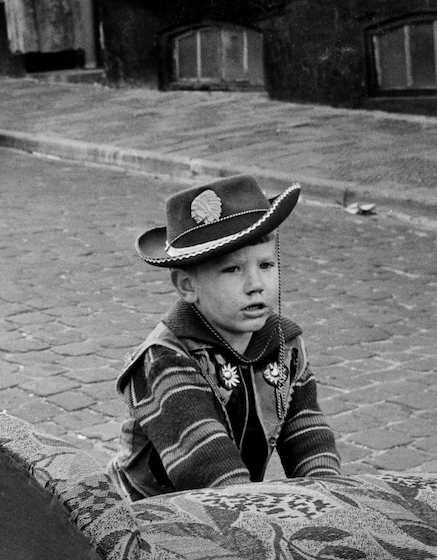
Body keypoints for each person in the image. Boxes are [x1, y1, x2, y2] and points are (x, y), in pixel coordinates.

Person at [109, 174, 341, 500]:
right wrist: (263, 518)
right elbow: (209, 468)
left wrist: (331, 499)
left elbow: (309, 436)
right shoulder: (165, 360)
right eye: (232, 270)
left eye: (266, 264)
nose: (255, 284)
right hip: (153, 515)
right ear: (188, 286)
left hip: (229, 511)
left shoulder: (284, 346)